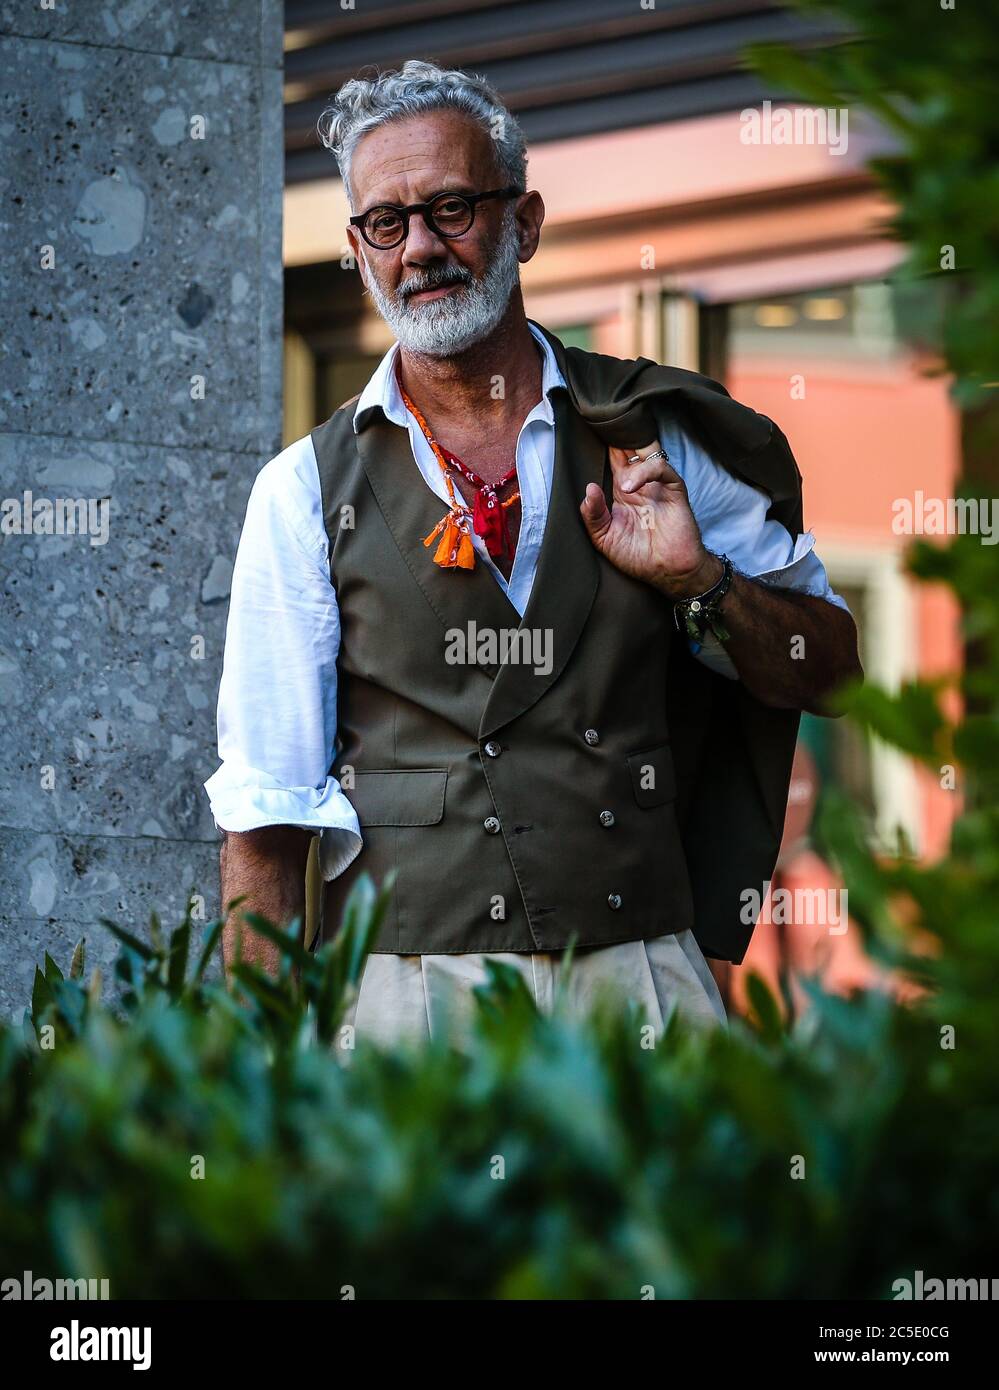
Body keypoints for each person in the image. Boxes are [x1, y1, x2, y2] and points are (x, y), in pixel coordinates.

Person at [204, 60, 862, 1045]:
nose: (421, 247)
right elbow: (263, 825)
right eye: (388, 222)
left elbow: (835, 669)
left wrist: (701, 582)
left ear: (525, 222)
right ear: (358, 248)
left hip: (642, 977)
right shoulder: (301, 492)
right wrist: (260, 1076)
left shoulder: (655, 437)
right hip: (406, 995)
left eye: (453, 207)